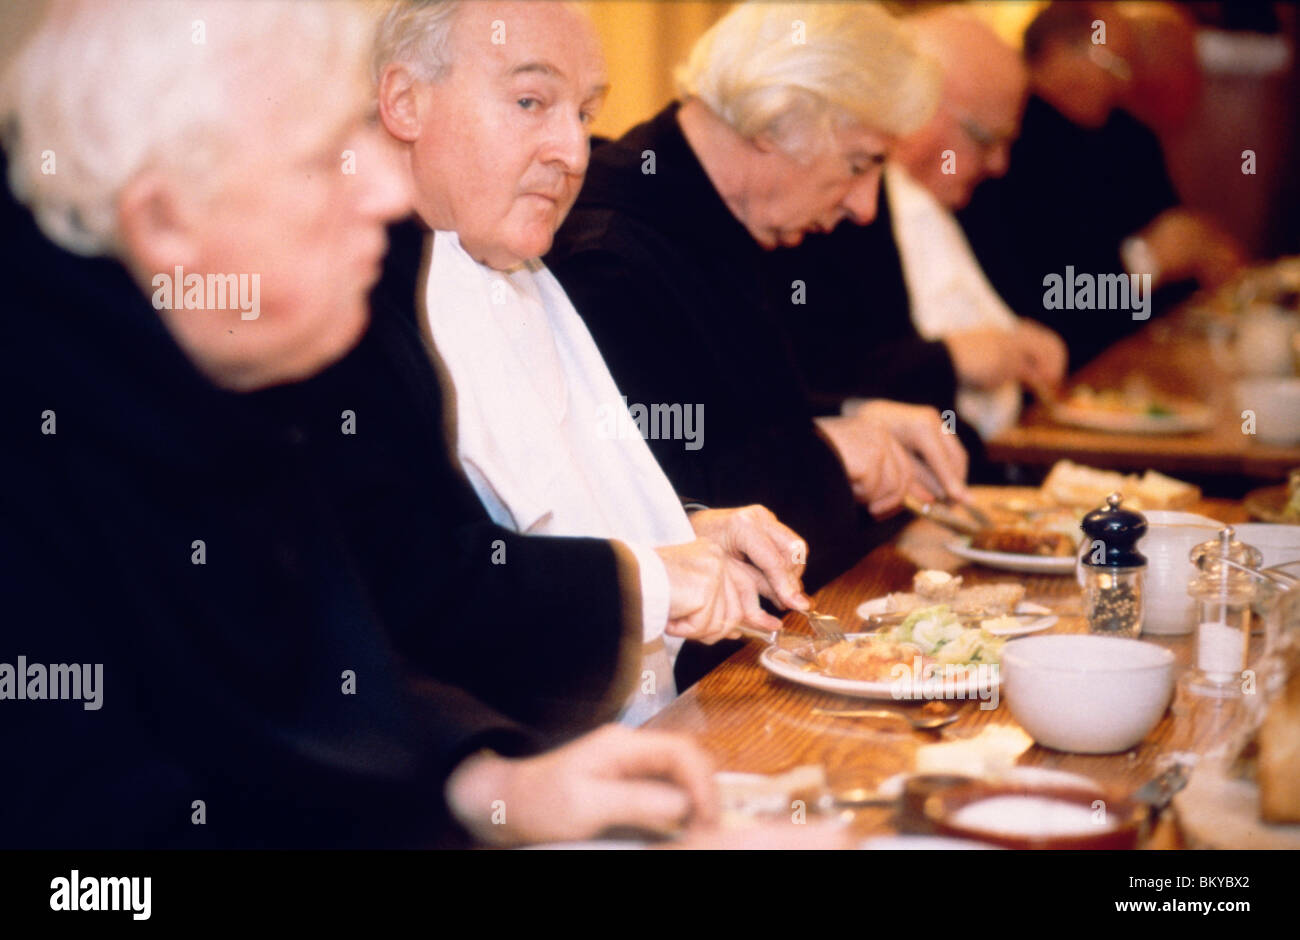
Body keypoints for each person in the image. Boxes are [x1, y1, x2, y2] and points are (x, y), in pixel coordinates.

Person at [0, 0, 722, 849]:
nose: (386, 191)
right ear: (162, 222)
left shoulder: (238, 360)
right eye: (324, 161)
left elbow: (327, 676)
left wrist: (486, 783)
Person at [370, 0, 811, 720]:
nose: (574, 153)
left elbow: (550, 517)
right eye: (530, 101)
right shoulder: (349, 303)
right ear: (403, 102)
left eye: (583, 114)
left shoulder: (528, 266)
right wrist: (652, 579)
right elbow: (409, 592)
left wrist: (684, 526)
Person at [548, 2, 968, 587]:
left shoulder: (722, 213)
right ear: (776, 123)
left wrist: (853, 414)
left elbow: (740, 413)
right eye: (859, 163)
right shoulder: (606, 249)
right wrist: (828, 451)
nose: (864, 206)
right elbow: (662, 505)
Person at [762, 8, 1068, 441]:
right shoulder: (817, 212)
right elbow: (802, 376)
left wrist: (1015, 343)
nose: (998, 164)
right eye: (986, 138)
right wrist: (949, 359)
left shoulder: (964, 205)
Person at [959, 0, 1245, 369]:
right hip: (1063, 370)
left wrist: (1201, 257)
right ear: (1056, 53)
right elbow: (1046, 302)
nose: (1122, 83)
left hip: (1149, 360)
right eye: (1114, 64)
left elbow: (1177, 259)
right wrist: (1144, 264)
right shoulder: (1007, 150)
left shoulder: (1130, 136)